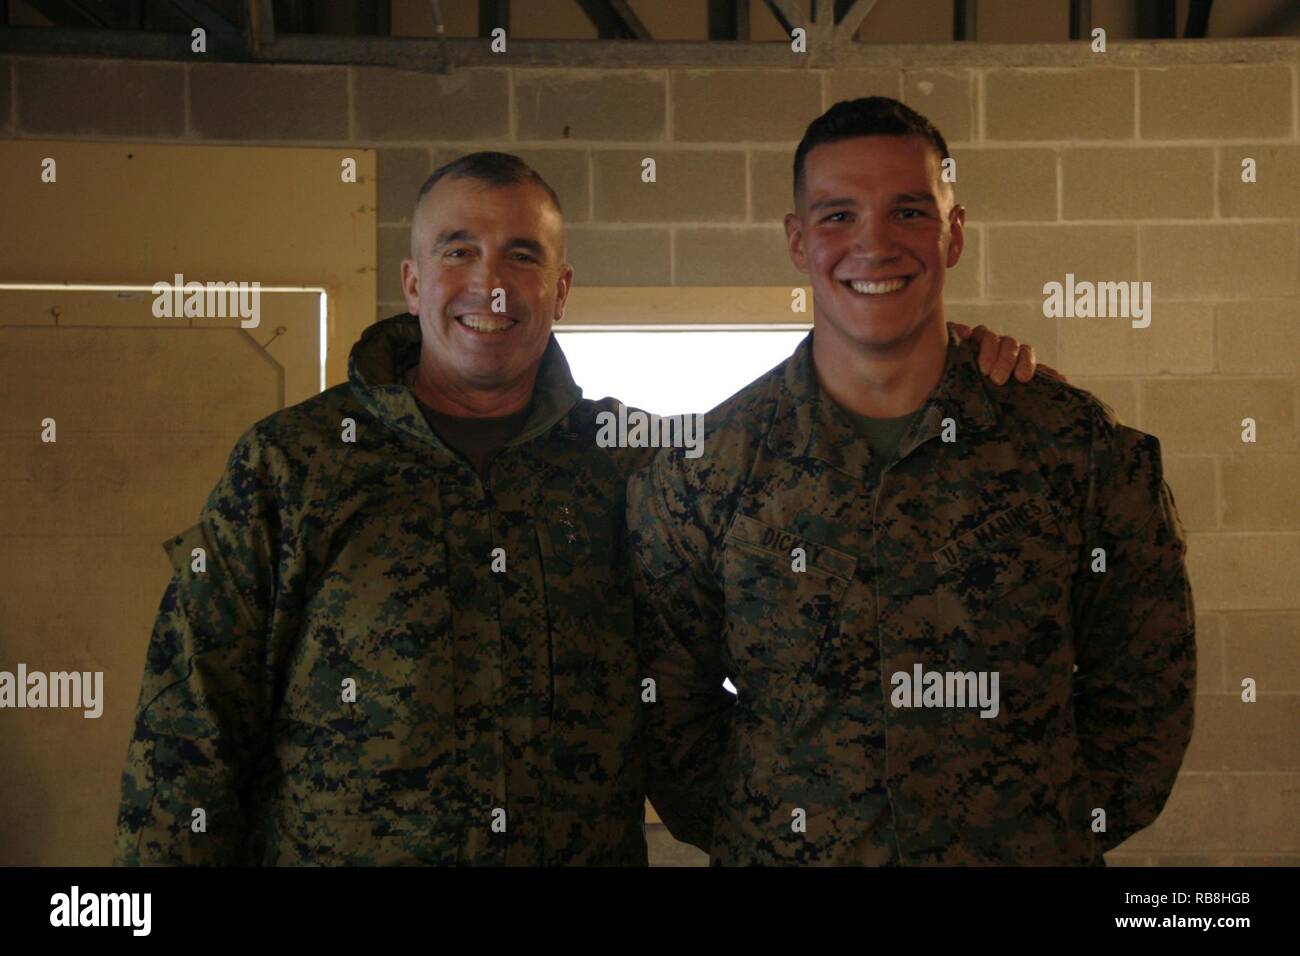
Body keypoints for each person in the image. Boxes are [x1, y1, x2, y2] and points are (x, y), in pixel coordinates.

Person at [113, 150, 1044, 866]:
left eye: (523, 255)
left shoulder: (633, 458)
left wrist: (929, 355)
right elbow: (188, 733)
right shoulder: (293, 465)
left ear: (560, 289)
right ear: (412, 281)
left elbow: (810, 474)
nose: (491, 283)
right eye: (459, 251)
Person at [628, 98, 1195, 865]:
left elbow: (1145, 693)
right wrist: (777, 830)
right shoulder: (708, 470)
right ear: (797, 242)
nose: (875, 243)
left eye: (908, 211)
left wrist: (1042, 827)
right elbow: (671, 718)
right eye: (836, 216)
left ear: (954, 232)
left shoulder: (1071, 449)